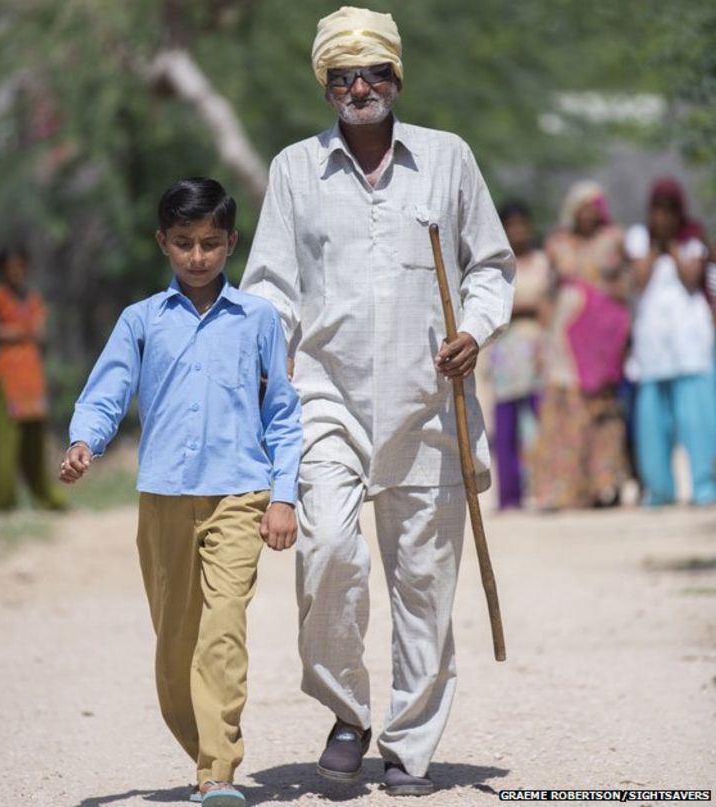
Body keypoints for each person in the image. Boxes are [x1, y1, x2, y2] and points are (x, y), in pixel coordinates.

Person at [240, 7, 515, 796]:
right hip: (325, 396)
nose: (358, 86)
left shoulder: (447, 160)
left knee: (424, 581)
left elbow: (490, 264)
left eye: (372, 73)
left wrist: (477, 326)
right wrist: (266, 361)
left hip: (430, 399)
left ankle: (410, 744)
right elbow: (270, 287)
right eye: (342, 75)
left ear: (397, 78)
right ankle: (346, 710)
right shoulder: (295, 169)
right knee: (326, 551)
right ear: (325, 83)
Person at [59, 178, 301, 806]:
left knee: (224, 629)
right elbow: (107, 391)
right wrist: (87, 440)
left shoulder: (257, 319)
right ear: (163, 243)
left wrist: (283, 495)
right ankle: (201, 748)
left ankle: (217, 772)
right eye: (186, 243)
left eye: (212, 244)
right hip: (164, 495)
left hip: (240, 493)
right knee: (175, 644)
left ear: (232, 244)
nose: (199, 256)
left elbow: (282, 414)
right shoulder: (140, 321)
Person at [530, 181, 631, 510]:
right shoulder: (558, 244)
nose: (589, 214)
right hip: (564, 337)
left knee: (602, 409)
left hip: (600, 338)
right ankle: (563, 489)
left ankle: (604, 485)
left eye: (594, 206)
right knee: (564, 410)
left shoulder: (613, 240)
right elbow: (548, 293)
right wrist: (543, 342)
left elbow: (625, 285)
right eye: (583, 207)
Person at [624, 178, 716, 506]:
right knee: (652, 424)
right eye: (657, 211)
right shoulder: (638, 239)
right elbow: (639, 280)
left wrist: (672, 244)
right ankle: (659, 490)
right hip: (653, 347)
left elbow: (692, 279)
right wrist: (655, 245)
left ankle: (704, 486)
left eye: (669, 211)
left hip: (690, 345)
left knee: (697, 420)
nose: (663, 218)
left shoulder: (692, 239)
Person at [0, 246, 66, 511]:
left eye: (20, 266)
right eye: (10, 268)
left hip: (30, 376)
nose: (16, 272)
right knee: (7, 445)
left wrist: (26, 331)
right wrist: (0, 332)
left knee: (34, 444)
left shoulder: (32, 299)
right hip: (6, 378)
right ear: (3, 271)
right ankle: (4, 502)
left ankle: (45, 497)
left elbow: (40, 332)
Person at [488, 201, 552, 509]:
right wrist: (526, 307)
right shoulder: (497, 263)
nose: (518, 231)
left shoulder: (543, 261)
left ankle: (546, 486)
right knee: (506, 421)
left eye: (521, 225)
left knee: (543, 418)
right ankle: (510, 494)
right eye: (511, 225)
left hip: (539, 346)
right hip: (507, 346)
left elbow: (549, 305)